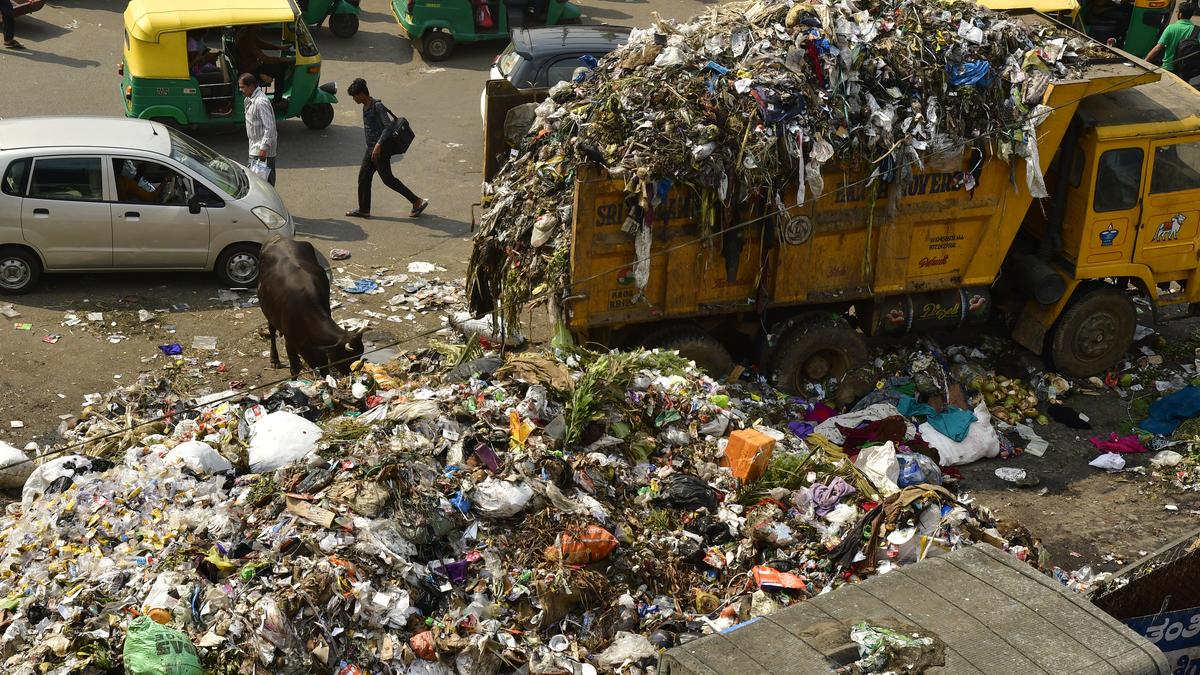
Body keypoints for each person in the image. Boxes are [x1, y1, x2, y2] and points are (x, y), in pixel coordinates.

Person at [344, 78, 428, 219]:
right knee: (363, 178)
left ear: (361, 94)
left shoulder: (377, 106)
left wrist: (378, 145)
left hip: (380, 150)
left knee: (388, 180)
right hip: (370, 149)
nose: (354, 99)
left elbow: (388, 126)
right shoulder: (366, 105)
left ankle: (417, 201)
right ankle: (364, 210)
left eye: (354, 96)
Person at [235, 25, 293, 104]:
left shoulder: (247, 33)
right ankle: (277, 101)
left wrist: (280, 47)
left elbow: (262, 44)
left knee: (282, 65)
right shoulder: (247, 39)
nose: (260, 27)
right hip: (251, 70)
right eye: (259, 26)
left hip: (254, 66)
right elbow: (265, 59)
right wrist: (287, 59)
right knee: (279, 72)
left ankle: (279, 93)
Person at [239, 73, 278, 186]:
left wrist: (263, 148)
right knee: (256, 183)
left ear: (251, 86)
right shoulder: (249, 99)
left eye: (242, 87)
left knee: (265, 184)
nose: (240, 90)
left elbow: (270, 127)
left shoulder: (260, 102)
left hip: (261, 151)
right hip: (255, 148)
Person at [1146, 1, 1197, 73]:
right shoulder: (1196, 30)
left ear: (1180, 14)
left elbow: (1158, 48)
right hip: (1185, 70)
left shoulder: (1171, 28)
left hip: (1168, 67)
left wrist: (1145, 61)